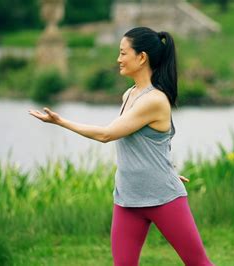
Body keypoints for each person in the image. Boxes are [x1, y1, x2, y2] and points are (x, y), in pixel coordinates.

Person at [28, 26, 215, 266]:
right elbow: (148, 143)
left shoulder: (155, 100)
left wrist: (60, 121)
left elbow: (107, 134)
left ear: (142, 57)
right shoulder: (129, 94)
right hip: (128, 198)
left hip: (163, 198)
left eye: (123, 53)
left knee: (198, 263)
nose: (118, 59)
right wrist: (164, 166)